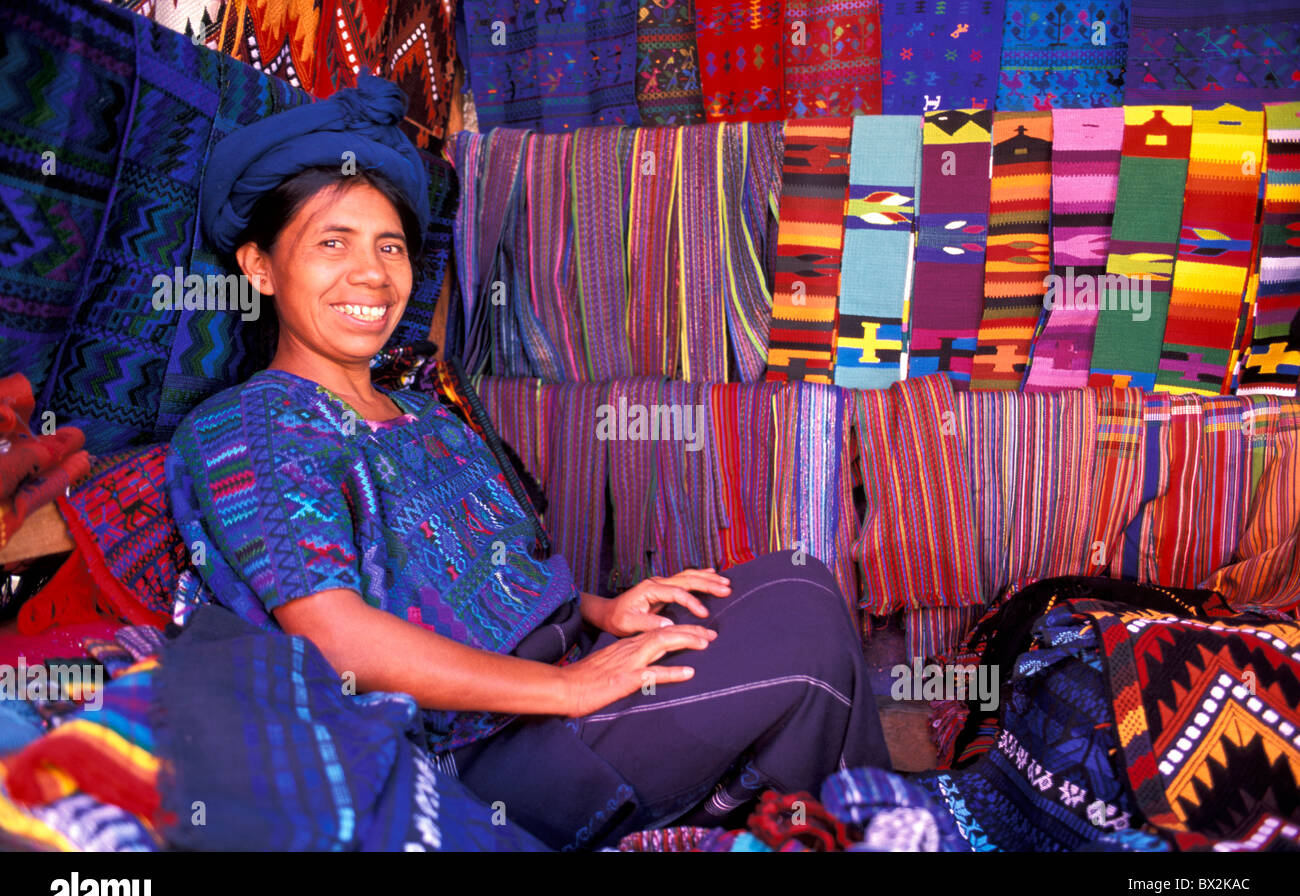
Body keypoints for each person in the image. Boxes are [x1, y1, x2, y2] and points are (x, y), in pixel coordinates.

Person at [166, 71, 890, 850]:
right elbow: (341, 641)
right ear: (259, 266)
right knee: (803, 656)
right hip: (474, 759)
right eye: (330, 244)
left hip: (558, 681)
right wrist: (572, 687)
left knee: (803, 582)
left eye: (389, 246)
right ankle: (849, 826)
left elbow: (497, 566)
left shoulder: (422, 412)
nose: (372, 275)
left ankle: (805, 825)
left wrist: (602, 613)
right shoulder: (247, 429)